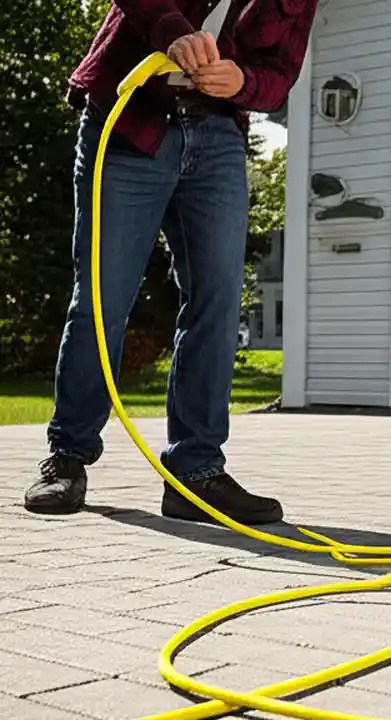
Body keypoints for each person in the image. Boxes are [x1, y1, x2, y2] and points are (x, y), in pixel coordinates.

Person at [23, 0, 317, 524]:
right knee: (100, 297)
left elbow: (280, 74)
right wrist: (172, 31)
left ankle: (195, 475)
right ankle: (67, 458)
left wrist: (243, 83)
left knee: (218, 301)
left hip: (217, 138)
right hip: (130, 122)